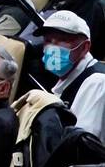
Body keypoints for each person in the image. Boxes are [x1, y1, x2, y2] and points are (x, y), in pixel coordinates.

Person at [37, 10, 105, 141]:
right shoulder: (65, 79)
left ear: (84, 47)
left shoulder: (97, 82)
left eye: (63, 40)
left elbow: (84, 143)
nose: (52, 48)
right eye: (48, 40)